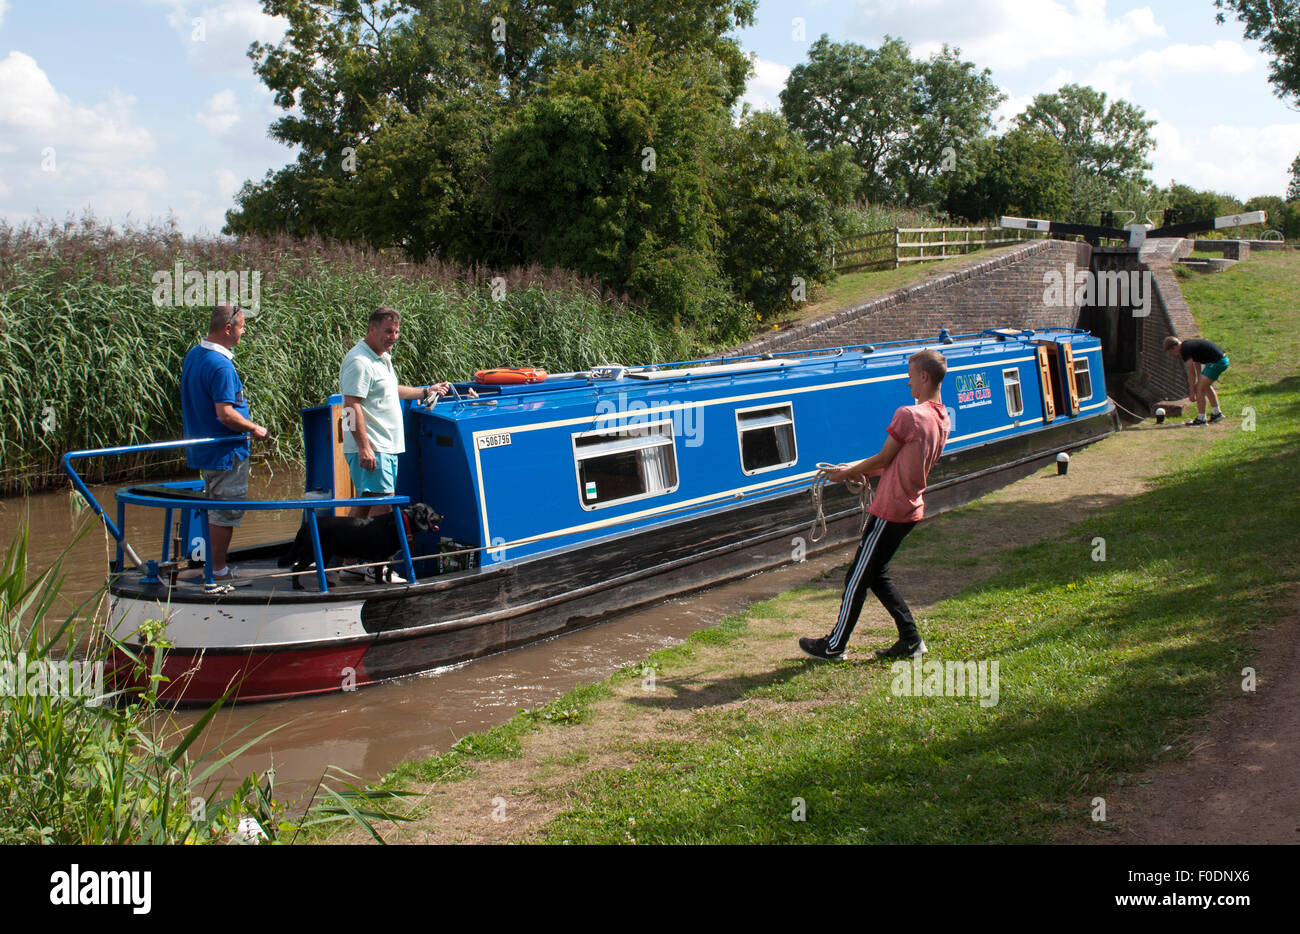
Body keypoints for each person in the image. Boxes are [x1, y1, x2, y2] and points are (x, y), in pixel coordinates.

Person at [799, 349, 950, 661]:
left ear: (923, 377)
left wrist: (846, 475)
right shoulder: (941, 418)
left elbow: (883, 458)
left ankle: (834, 646)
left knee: (856, 578)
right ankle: (910, 639)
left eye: (910, 377)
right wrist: (851, 469)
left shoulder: (908, 415)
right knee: (876, 574)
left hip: (890, 510)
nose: (908, 384)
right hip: (911, 508)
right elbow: (895, 462)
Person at [180, 304, 269, 590]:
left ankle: (215, 567)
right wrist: (254, 428)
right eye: (242, 327)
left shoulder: (195, 354)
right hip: (225, 452)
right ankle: (218, 572)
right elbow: (225, 414)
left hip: (205, 451)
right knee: (225, 511)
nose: (244, 332)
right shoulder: (221, 365)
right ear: (228, 329)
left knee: (215, 508)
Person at [339, 306, 450, 524]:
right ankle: (374, 557)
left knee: (367, 503)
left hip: (384, 446)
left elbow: (391, 389)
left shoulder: (383, 358)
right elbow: (351, 406)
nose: (394, 337)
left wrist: (427, 391)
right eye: (389, 331)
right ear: (372, 329)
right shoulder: (359, 362)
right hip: (373, 446)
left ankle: (347, 558)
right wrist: (364, 448)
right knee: (382, 506)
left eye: (397, 332)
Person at [1163, 335, 1228, 426]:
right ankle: (1216, 413)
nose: (1174, 354)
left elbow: (1191, 373)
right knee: (1204, 386)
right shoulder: (1188, 345)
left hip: (1217, 362)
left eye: (1171, 351)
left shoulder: (1184, 350)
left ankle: (1201, 419)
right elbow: (1197, 364)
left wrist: (1192, 392)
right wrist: (1199, 379)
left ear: (1174, 347)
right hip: (1222, 360)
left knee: (1199, 388)